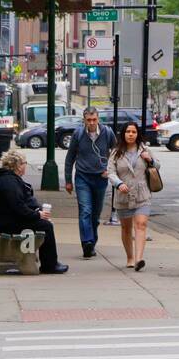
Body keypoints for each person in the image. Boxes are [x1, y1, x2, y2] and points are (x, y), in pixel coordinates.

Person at [0, 150, 67, 274]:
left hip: (8, 220)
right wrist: (37, 215)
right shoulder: (9, 182)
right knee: (46, 226)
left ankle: (51, 263)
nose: (26, 165)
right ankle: (50, 265)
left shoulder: (8, 179)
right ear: (18, 165)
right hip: (9, 223)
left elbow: (21, 204)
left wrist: (38, 212)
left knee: (44, 223)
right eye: (25, 163)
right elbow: (18, 207)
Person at [64, 107, 115, 258]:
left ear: (98, 119)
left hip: (100, 178)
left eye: (94, 120)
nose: (92, 123)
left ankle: (92, 241)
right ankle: (86, 242)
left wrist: (110, 170)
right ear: (84, 120)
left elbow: (116, 152)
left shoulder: (107, 133)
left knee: (95, 214)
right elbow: (70, 157)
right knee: (85, 210)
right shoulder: (78, 134)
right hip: (82, 177)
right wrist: (68, 180)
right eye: (88, 120)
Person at [110, 122, 157, 271]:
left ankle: (139, 259)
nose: (131, 134)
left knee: (141, 224)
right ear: (123, 134)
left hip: (142, 194)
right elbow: (110, 172)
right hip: (123, 195)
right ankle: (130, 257)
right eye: (128, 132)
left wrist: (149, 159)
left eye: (134, 132)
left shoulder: (145, 150)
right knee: (126, 228)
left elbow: (157, 166)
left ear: (137, 134)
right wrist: (118, 183)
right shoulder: (116, 152)